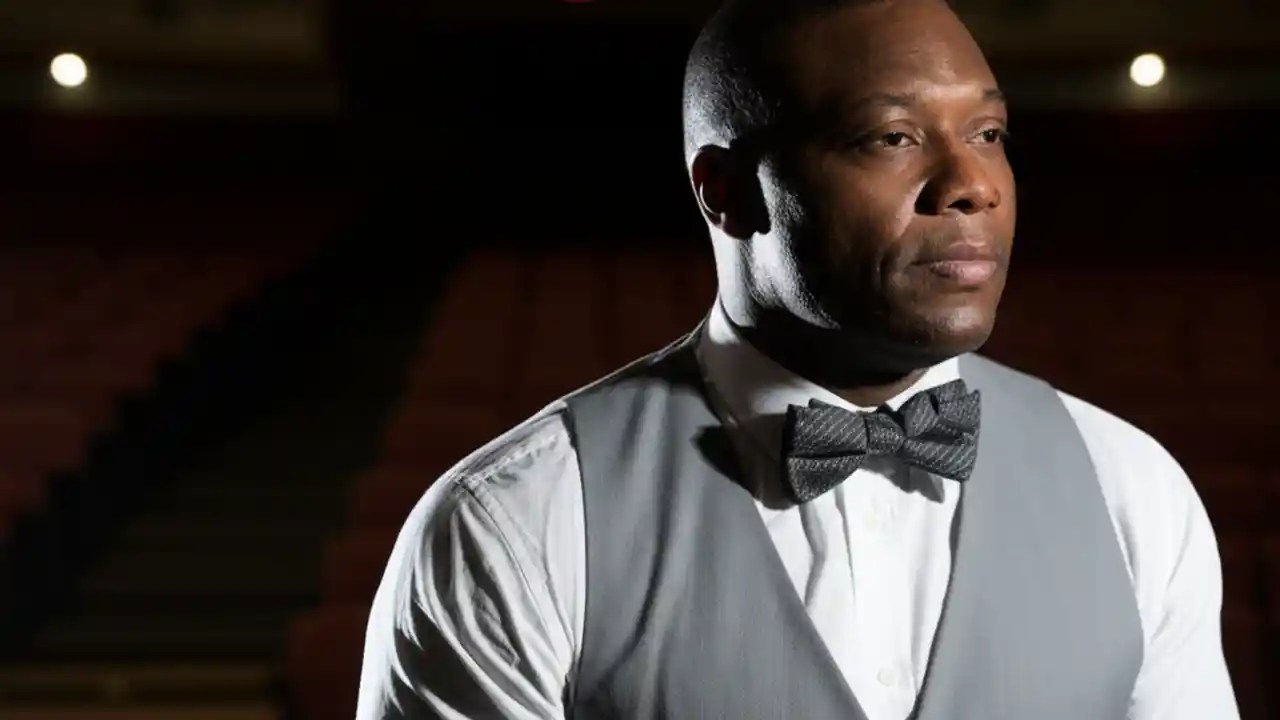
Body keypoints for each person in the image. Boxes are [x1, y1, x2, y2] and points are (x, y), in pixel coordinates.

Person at [356, 0, 1240, 717]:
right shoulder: (517, 522)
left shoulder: (1134, 489)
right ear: (729, 193)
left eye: (988, 133)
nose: (973, 184)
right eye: (890, 137)